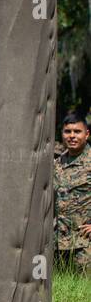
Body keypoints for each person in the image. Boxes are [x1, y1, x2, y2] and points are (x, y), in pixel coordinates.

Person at [54, 110, 91, 273]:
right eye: (67, 131)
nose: (72, 136)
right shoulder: (57, 163)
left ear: (87, 134)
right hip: (58, 243)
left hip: (84, 246)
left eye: (77, 131)